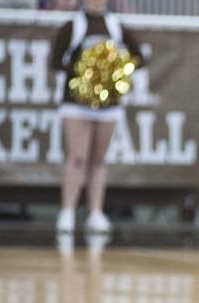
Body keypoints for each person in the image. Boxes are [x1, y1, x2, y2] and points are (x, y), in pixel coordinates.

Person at [49, 0, 145, 234]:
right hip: (76, 103)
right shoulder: (73, 26)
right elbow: (55, 61)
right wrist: (84, 74)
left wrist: (115, 73)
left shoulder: (116, 26)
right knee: (77, 157)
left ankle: (95, 212)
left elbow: (139, 58)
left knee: (99, 159)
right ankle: (68, 211)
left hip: (108, 104)